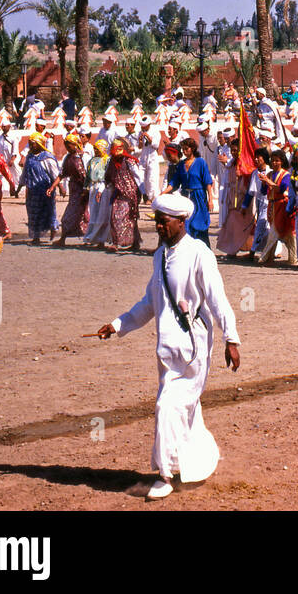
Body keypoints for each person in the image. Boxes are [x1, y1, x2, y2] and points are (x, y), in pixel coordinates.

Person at [94, 192, 241, 500]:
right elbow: (149, 302)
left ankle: (165, 475)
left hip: (193, 349)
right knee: (183, 410)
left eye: (164, 223)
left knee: (167, 407)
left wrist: (231, 339)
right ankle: (197, 461)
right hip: (166, 351)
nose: (159, 228)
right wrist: (118, 324)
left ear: (181, 222)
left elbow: (217, 300)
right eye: (157, 222)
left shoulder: (199, 254)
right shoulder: (159, 256)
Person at [165, 137, 215, 247]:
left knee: (199, 223)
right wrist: (163, 192)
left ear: (192, 149)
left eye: (186, 149)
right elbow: (174, 182)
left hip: (199, 197)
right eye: (183, 149)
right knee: (186, 223)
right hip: (185, 197)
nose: (184, 151)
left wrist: (210, 199)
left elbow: (207, 182)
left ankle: (204, 249)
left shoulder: (201, 162)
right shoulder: (181, 164)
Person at [20, 132, 62, 244]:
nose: (31, 146)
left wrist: (60, 187)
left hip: (45, 190)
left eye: (33, 143)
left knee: (49, 211)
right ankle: (36, 237)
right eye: (30, 143)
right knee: (33, 213)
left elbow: (56, 174)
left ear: (39, 144)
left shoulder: (47, 158)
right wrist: (19, 187)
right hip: (32, 191)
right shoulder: (29, 157)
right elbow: (25, 173)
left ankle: (53, 228)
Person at [256, 150, 296, 265]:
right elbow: (264, 191)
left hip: (282, 206)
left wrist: (268, 181)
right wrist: (264, 183)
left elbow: (282, 188)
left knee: (276, 231)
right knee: (278, 231)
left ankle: (265, 257)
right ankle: (271, 258)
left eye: (277, 161)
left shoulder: (286, 175)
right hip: (272, 205)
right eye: (273, 160)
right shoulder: (269, 174)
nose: (274, 163)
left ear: (282, 161)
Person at [105, 138, 144, 253]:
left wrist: (144, 193)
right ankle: (117, 242)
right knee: (115, 216)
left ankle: (134, 242)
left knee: (130, 218)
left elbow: (138, 177)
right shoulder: (112, 162)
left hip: (130, 193)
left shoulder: (129, 161)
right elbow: (109, 176)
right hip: (117, 192)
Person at [57, 134, 90, 245]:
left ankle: (88, 238)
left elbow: (88, 174)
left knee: (83, 214)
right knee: (73, 213)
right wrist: (55, 186)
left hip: (84, 190)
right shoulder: (68, 157)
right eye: (66, 145)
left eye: (69, 145)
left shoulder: (83, 157)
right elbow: (62, 174)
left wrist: (87, 189)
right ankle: (63, 238)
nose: (67, 147)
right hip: (74, 189)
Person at [82, 140, 112, 247]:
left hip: (103, 189)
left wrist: (100, 190)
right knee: (93, 212)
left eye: (97, 149)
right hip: (93, 188)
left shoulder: (107, 161)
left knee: (102, 214)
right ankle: (92, 237)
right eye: (94, 149)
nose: (95, 151)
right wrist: (85, 188)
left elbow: (106, 177)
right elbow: (87, 176)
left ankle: (101, 240)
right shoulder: (92, 161)